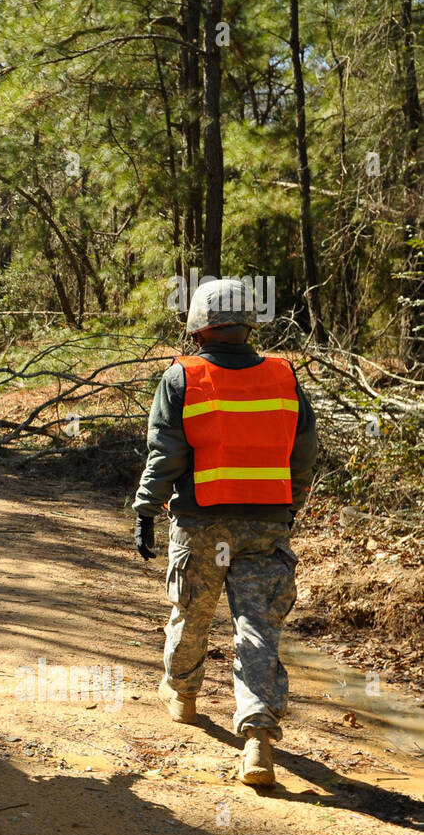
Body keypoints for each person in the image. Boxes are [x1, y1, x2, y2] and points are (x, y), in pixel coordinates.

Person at [133, 277, 318, 786]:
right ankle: (257, 739)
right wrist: (290, 508)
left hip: (201, 522)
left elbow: (165, 453)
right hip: (267, 524)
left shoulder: (182, 378)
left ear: (198, 330)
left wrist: (146, 507)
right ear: (249, 326)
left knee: (192, 613)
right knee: (258, 629)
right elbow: (302, 456)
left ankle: (184, 696)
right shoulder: (284, 377)